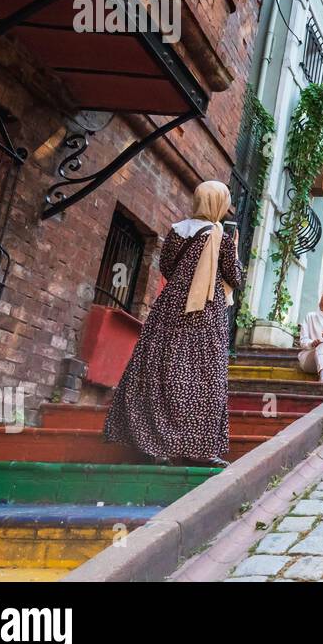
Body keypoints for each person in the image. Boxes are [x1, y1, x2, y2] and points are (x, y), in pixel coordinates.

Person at [104, 180, 241, 468]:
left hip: (171, 305)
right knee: (204, 375)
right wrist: (235, 253)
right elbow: (235, 278)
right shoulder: (221, 238)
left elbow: (166, 266)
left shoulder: (178, 230)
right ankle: (199, 449)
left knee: (161, 366)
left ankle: (154, 445)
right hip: (206, 310)